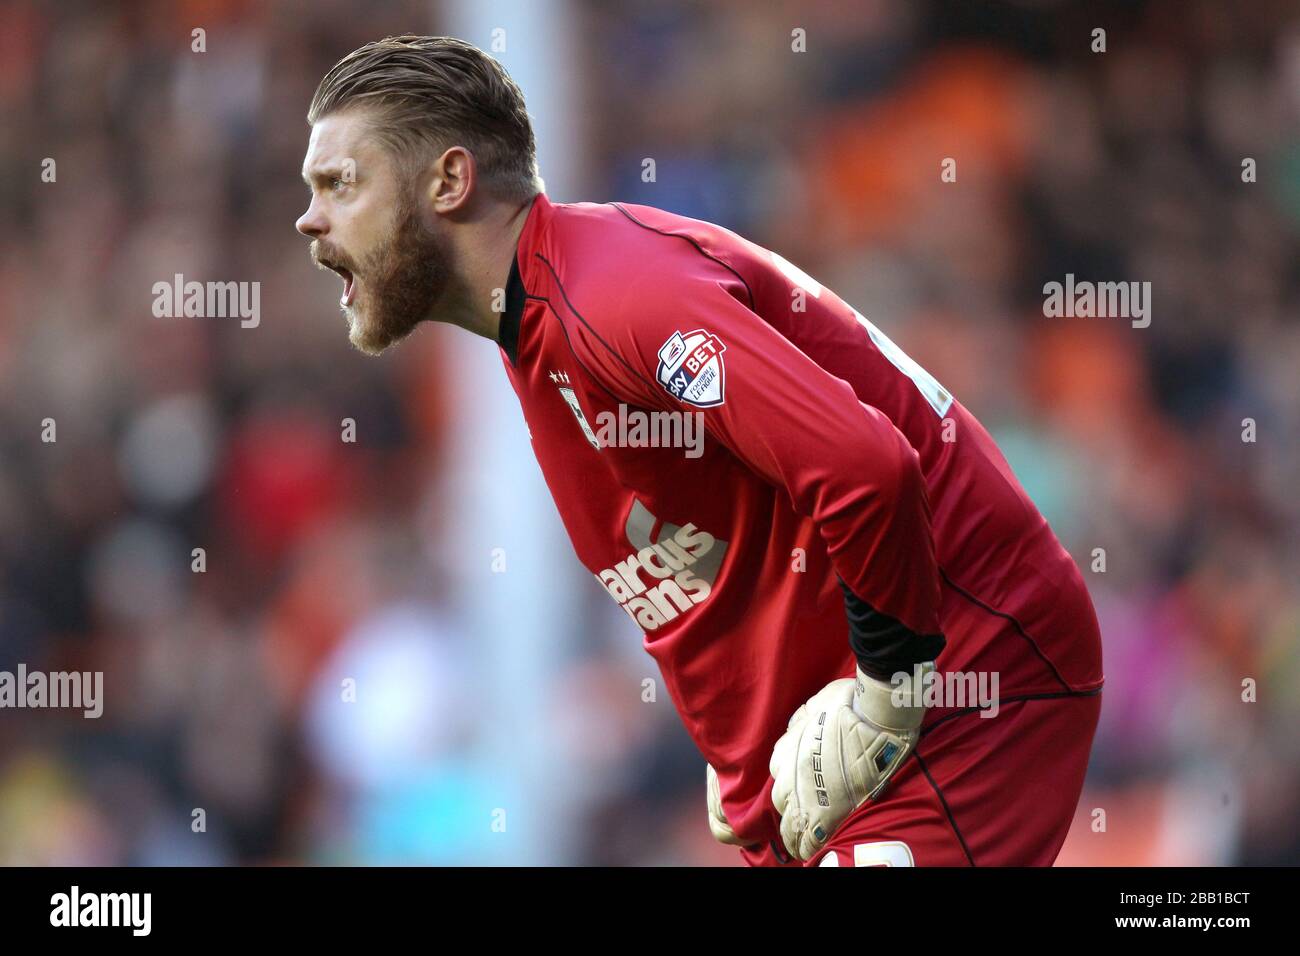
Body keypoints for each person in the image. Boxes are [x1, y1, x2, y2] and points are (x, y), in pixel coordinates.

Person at [295, 35, 1103, 866]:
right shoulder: (541, 334)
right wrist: (743, 748)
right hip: (841, 755)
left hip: (966, 687)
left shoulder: (617, 295)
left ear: (449, 182)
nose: (310, 218)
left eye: (340, 184)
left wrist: (889, 689)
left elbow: (867, 466)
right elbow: (728, 555)